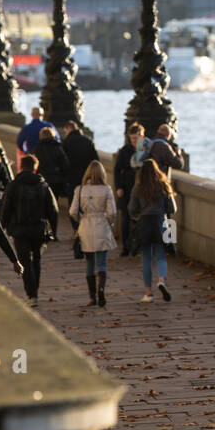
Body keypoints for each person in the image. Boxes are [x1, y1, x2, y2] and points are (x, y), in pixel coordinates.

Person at [0, 155, 59, 306]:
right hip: (38, 228)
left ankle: (31, 294)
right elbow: (53, 210)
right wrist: (53, 230)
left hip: (19, 229)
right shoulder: (42, 185)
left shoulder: (14, 185)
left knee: (24, 261)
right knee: (36, 260)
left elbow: (6, 208)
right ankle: (35, 290)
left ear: (21, 166)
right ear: (35, 167)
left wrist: (4, 225)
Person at [69, 160, 118, 307]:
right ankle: (101, 288)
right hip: (101, 224)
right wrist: (109, 222)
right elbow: (112, 212)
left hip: (85, 226)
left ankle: (92, 297)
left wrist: (80, 220)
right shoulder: (107, 189)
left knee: (89, 262)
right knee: (101, 263)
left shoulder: (80, 189)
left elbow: (72, 211)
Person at [128, 159, 175, 303]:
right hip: (161, 222)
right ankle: (161, 281)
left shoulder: (138, 187)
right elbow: (173, 208)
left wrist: (139, 214)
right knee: (161, 255)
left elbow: (131, 209)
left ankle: (148, 294)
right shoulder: (163, 185)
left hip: (145, 223)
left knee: (146, 259)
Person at [113, 123, 144, 256]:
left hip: (141, 189)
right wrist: (119, 187)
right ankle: (126, 247)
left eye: (136, 138)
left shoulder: (145, 150)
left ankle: (139, 246)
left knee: (141, 219)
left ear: (141, 136)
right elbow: (116, 169)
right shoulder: (125, 150)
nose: (134, 141)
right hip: (126, 188)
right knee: (125, 218)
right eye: (132, 138)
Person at [61, 120, 99, 192]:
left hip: (71, 176)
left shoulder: (66, 142)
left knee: (73, 199)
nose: (66, 133)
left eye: (65, 131)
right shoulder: (88, 141)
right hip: (86, 175)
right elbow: (95, 159)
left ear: (69, 128)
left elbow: (63, 160)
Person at [33, 126, 71, 199]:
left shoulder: (38, 148)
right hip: (55, 180)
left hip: (41, 179)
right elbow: (65, 164)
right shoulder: (57, 147)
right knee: (54, 201)